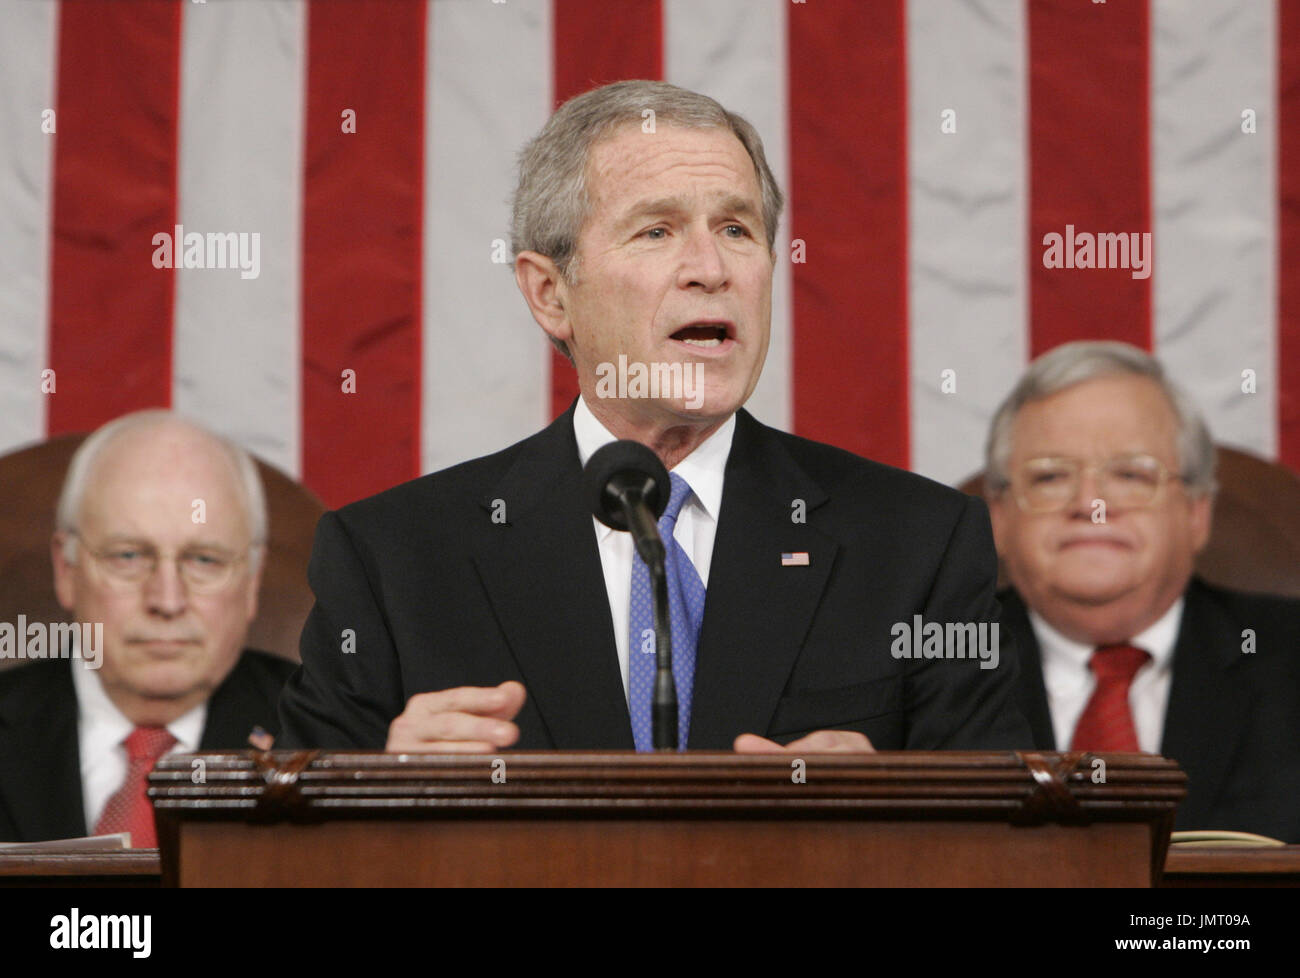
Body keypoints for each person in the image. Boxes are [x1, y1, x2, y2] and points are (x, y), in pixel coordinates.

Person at [277, 79, 1030, 755]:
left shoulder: (919, 547)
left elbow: (1007, 853)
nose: (712, 267)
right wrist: (375, 790)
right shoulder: (394, 560)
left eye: (737, 228)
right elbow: (286, 859)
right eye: (657, 231)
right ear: (550, 293)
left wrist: (891, 824)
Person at [984, 341, 1300, 841]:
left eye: (1132, 474)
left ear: (1196, 513)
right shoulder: (921, 673)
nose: (1091, 504)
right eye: (1049, 476)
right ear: (999, 518)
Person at [0, 411, 296, 844]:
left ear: (252, 580)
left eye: (204, 560)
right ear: (67, 569)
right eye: (128, 556)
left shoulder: (330, 737)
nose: (167, 601)